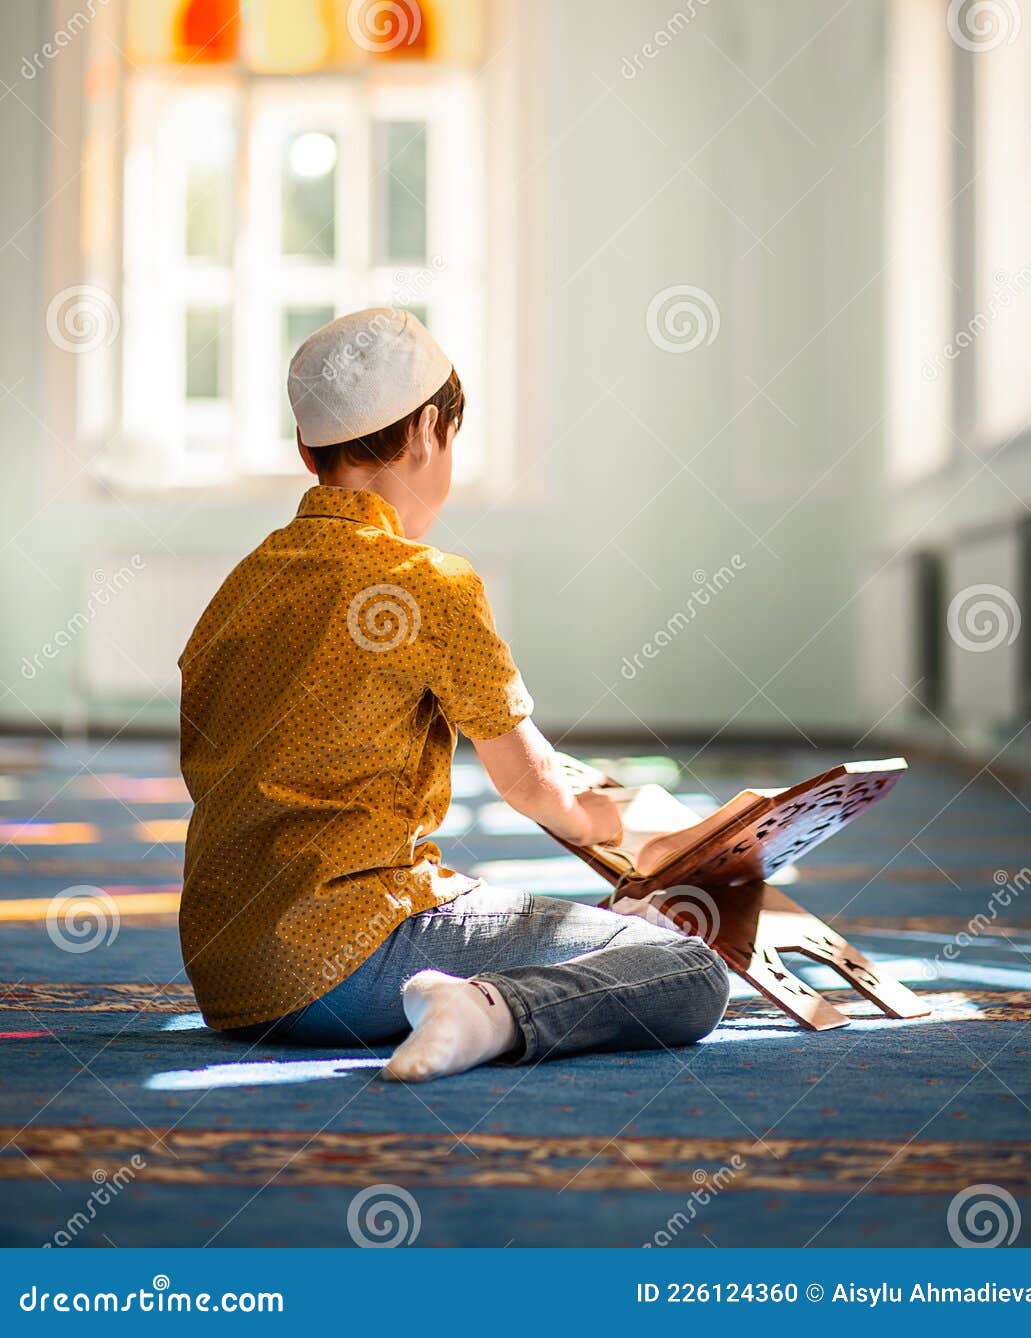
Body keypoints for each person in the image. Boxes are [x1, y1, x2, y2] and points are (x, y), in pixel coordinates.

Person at [177, 308, 729, 1081]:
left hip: (228, 975)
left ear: (306, 449)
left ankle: (492, 989)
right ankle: (482, 1011)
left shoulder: (240, 589)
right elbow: (533, 787)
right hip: (350, 956)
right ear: (429, 430)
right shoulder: (426, 581)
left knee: (589, 935)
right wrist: (648, 826)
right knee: (686, 967)